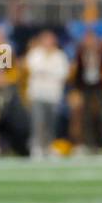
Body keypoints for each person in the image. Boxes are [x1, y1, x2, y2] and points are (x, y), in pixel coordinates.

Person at [25, 30, 69, 158]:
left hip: (53, 95)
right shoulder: (35, 53)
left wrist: (45, 72)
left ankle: (48, 147)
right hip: (37, 94)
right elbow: (33, 69)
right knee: (37, 122)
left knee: (51, 123)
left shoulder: (60, 55)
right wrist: (49, 72)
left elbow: (62, 73)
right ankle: (36, 147)